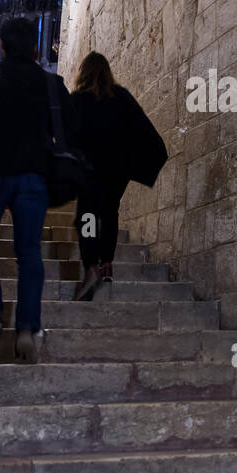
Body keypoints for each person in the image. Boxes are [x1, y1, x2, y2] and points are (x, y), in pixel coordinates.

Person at [0, 16, 76, 364]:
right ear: (36, 47)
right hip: (33, 176)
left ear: (2, 46)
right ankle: (26, 327)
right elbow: (69, 125)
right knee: (29, 252)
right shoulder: (50, 82)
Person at [69, 53, 167, 302]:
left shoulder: (77, 100)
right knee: (110, 213)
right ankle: (107, 264)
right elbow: (142, 128)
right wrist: (136, 164)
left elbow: (68, 135)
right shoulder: (121, 97)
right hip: (116, 172)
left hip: (89, 171)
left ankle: (91, 265)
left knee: (88, 216)